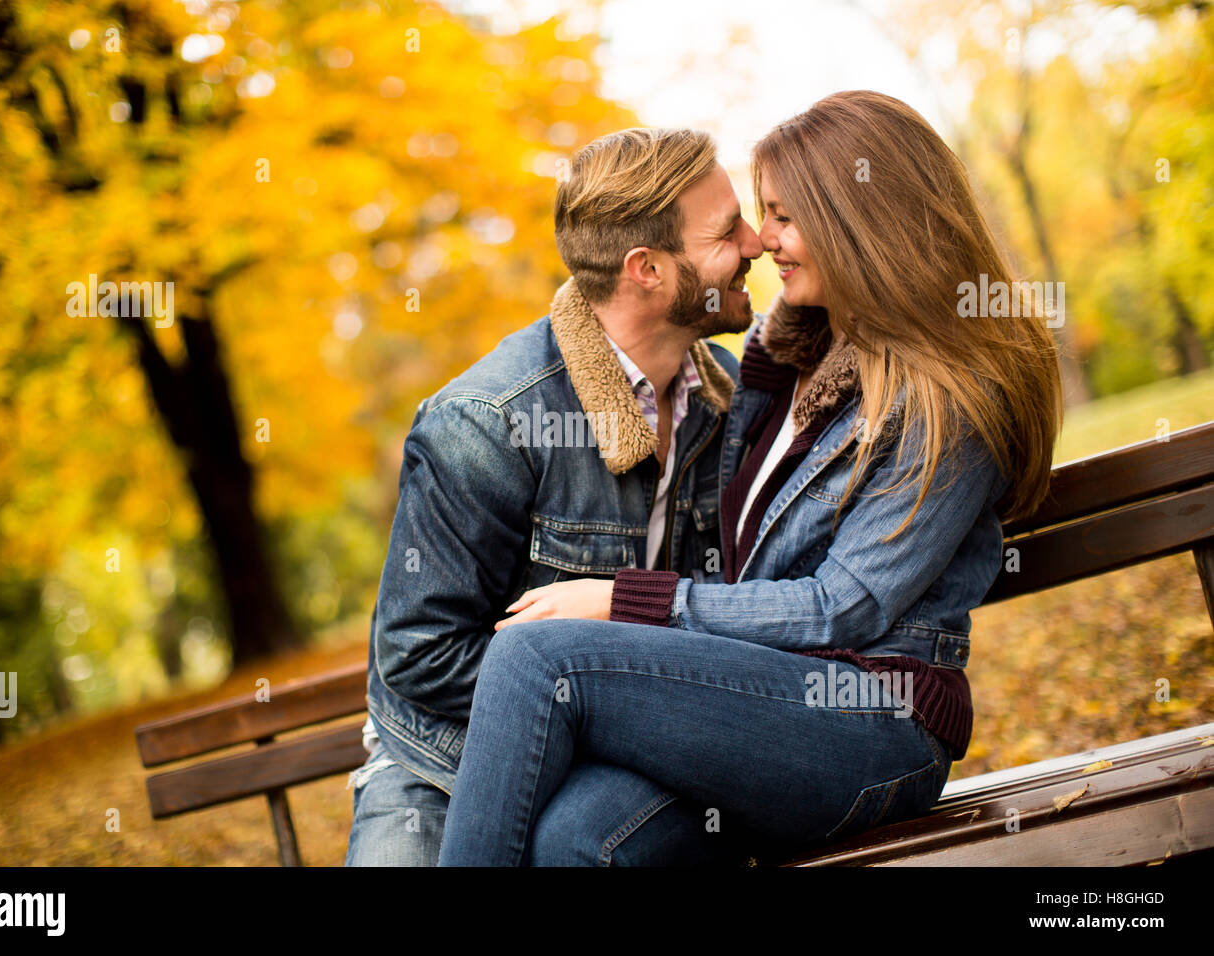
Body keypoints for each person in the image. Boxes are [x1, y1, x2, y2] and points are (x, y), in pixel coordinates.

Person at [436, 90, 1064, 867]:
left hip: (869, 725)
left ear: (858, 224)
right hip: (758, 705)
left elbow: (844, 607)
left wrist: (629, 603)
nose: (764, 242)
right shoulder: (779, 362)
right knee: (576, 842)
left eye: (783, 216)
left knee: (536, 658)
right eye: (762, 215)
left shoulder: (950, 399)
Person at [346, 127, 765, 865]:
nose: (756, 241)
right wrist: (612, 694)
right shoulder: (486, 425)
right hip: (442, 762)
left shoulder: (726, 402)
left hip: (631, 754)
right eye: (728, 230)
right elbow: (419, 656)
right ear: (648, 270)